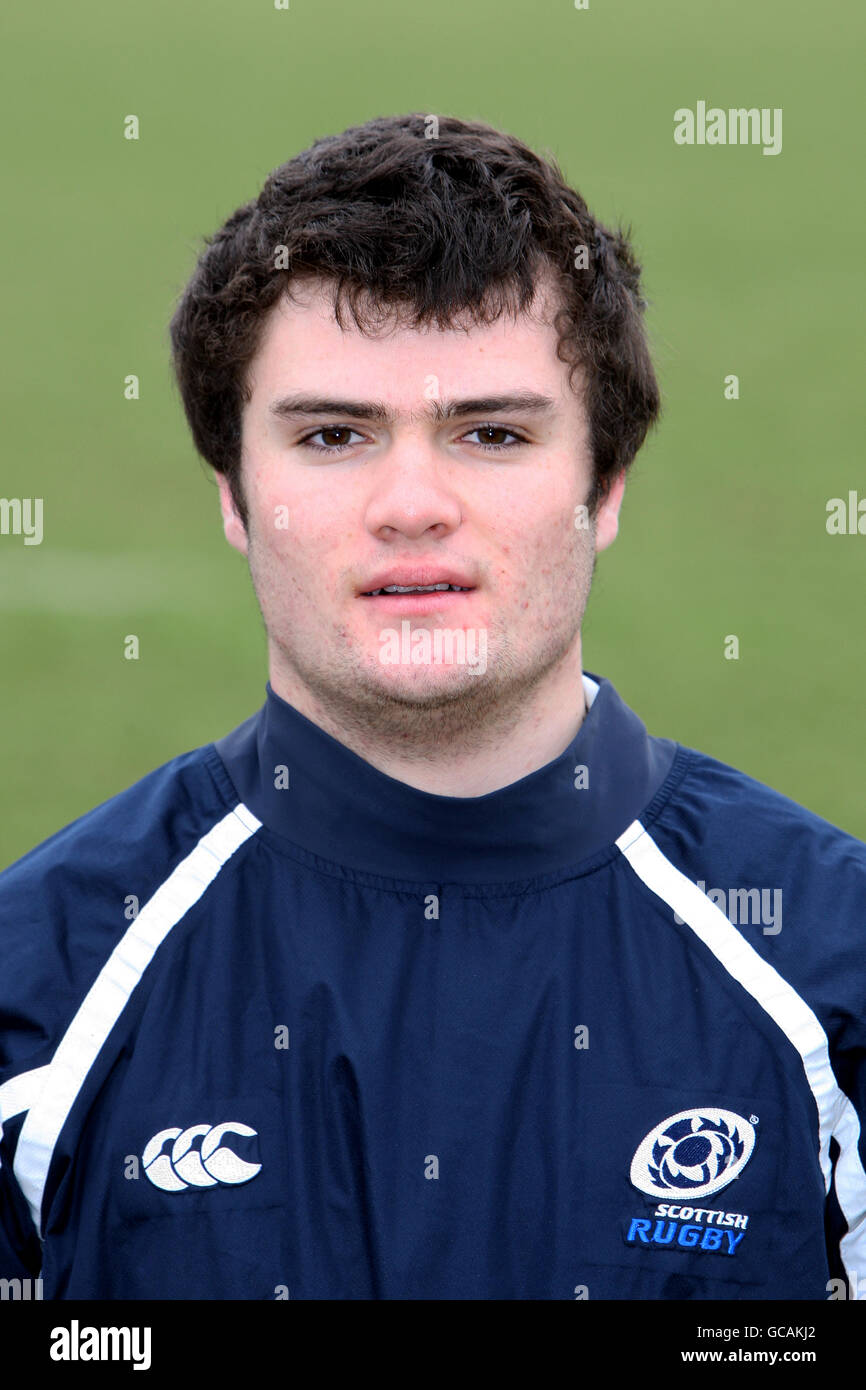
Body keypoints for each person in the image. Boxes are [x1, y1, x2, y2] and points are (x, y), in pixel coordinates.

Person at [1, 113, 863, 1301]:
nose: (412, 503)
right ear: (236, 498)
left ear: (602, 487)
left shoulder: (827, 975)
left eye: (491, 432)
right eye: (334, 434)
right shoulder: (40, 993)